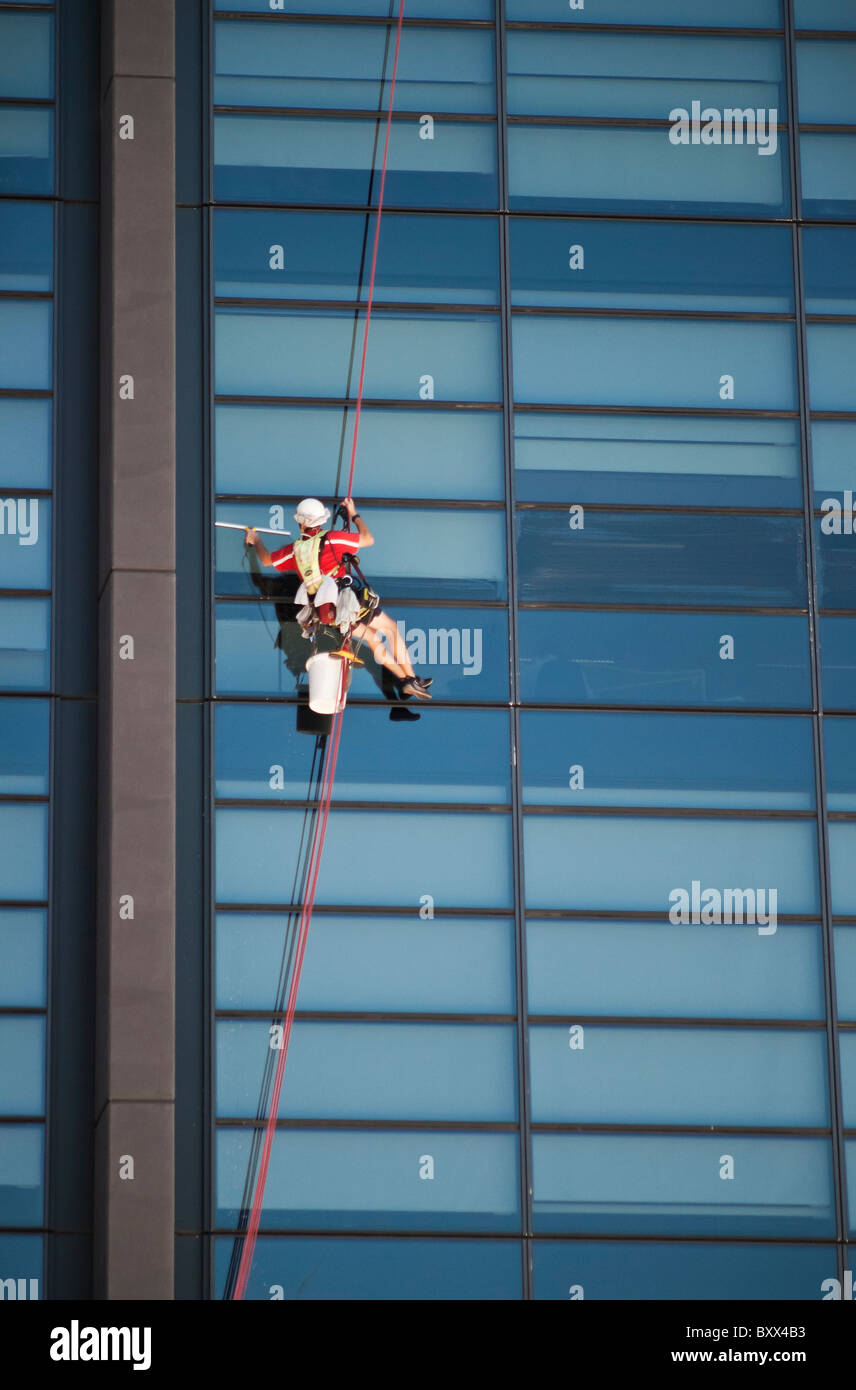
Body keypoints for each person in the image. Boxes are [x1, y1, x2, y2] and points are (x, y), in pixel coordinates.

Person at [245, 497, 433, 700]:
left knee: (372, 638)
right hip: (349, 604)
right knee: (391, 629)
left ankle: (406, 681)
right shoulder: (332, 539)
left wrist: (255, 540)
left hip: (330, 615)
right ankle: (411, 679)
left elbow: (266, 560)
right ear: (320, 522)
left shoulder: (295, 550)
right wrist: (354, 514)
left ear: (300, 523)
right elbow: (368, 539)